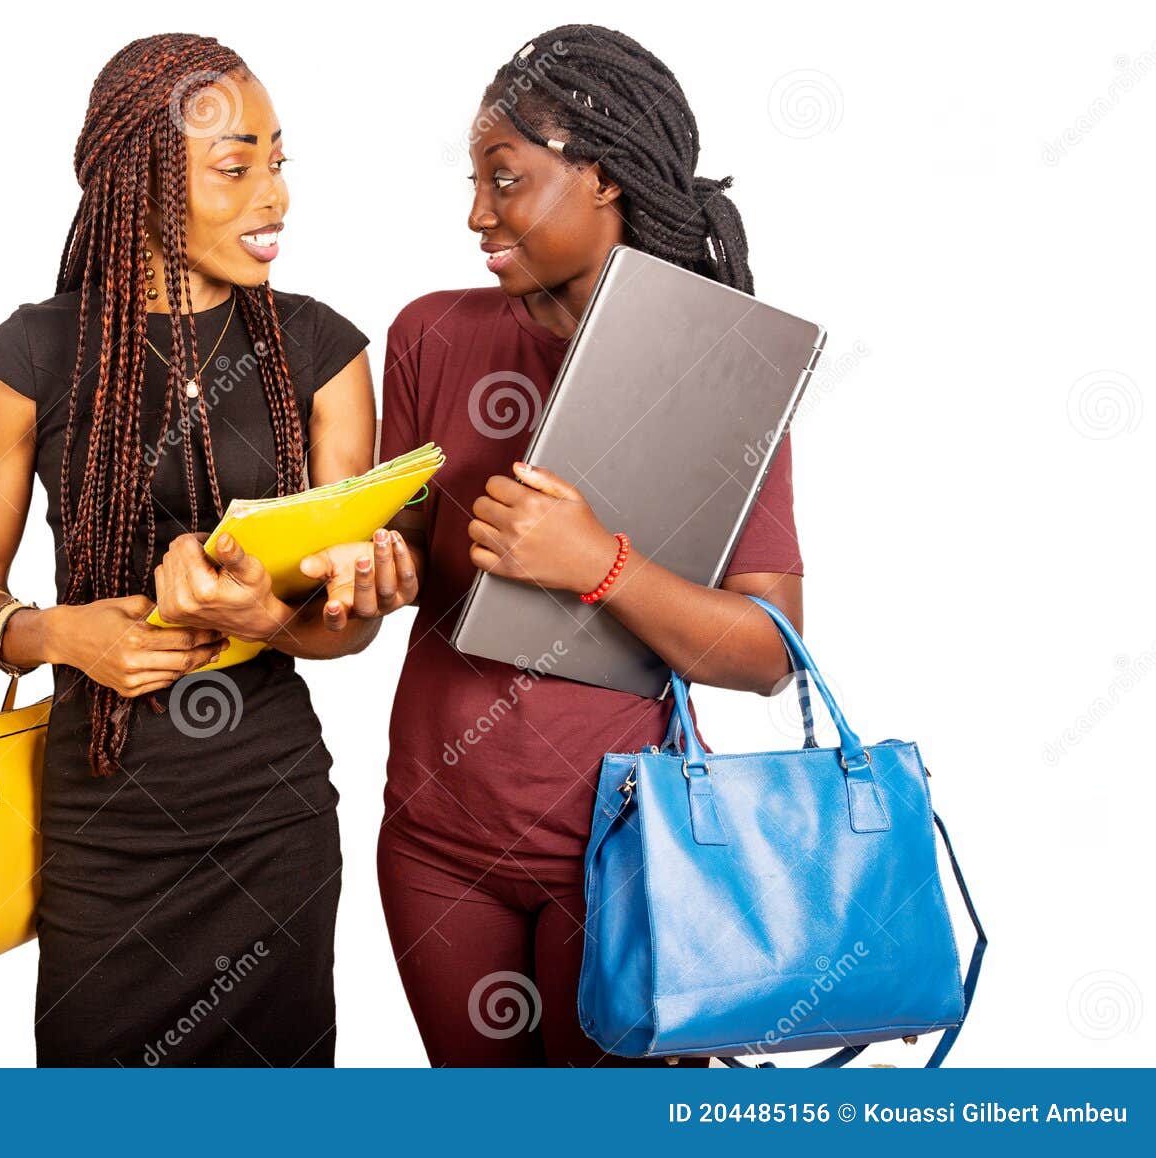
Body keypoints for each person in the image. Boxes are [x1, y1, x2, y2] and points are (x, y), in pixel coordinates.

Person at [0, 34, 415, 1066]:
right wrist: (64, 635)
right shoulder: (29, 358)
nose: (276, 199)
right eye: (236, 167)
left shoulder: (322, 351)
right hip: (102, 823)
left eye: (279, 163)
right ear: (146, 181)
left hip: (270, 815)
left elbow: (343, 632)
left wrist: (278, 620)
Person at [377, 24, 806, 1066]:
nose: (477, 212)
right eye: (474, 180)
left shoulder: (723, 369)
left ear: (601, 177)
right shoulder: (430, 334)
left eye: (506, 179)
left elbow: (768, 652)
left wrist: (594, 564)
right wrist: (361, 570)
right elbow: (394, 544)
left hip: (624, 850)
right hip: (435, 842)